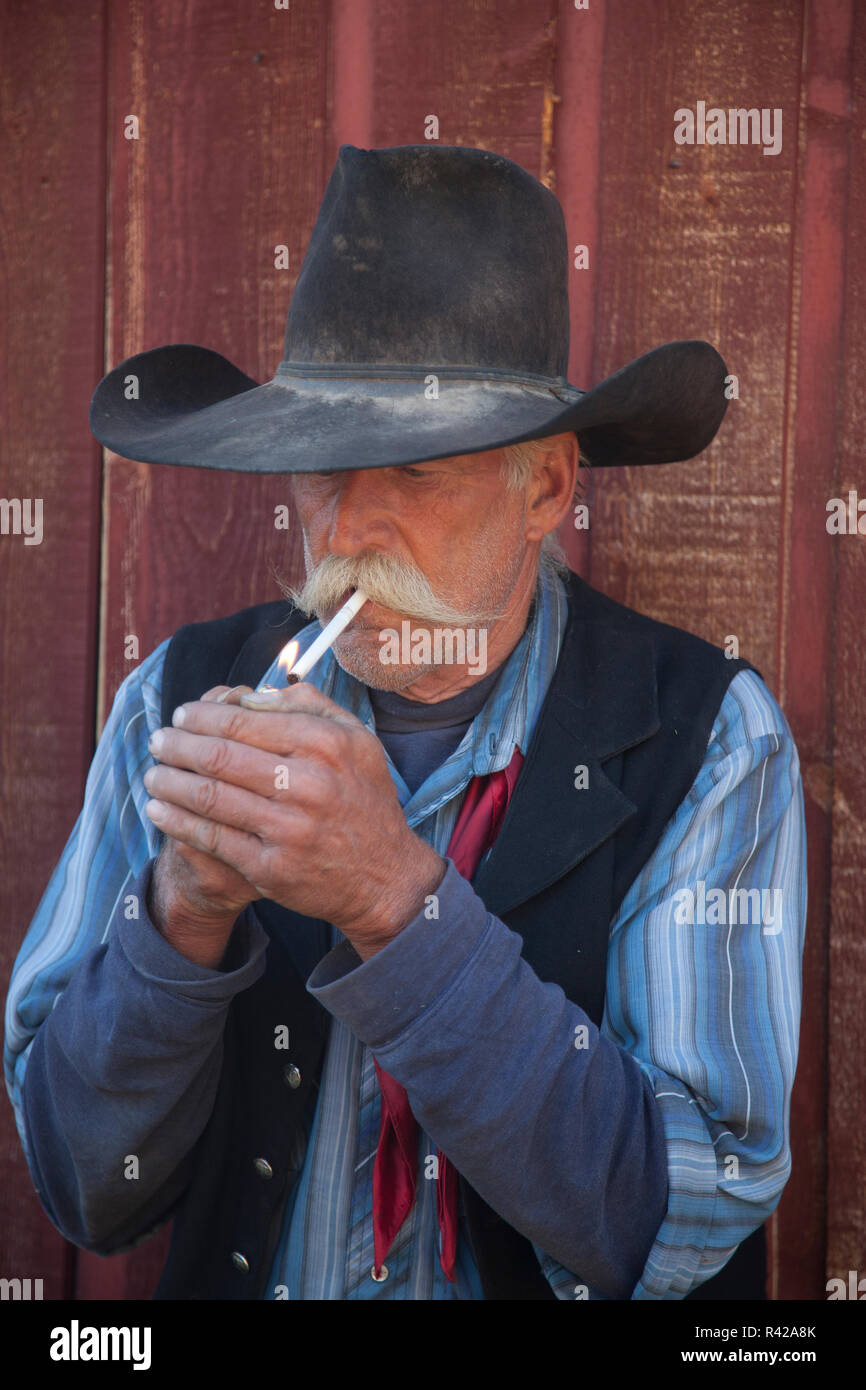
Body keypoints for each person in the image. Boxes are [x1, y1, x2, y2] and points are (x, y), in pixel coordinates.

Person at [4, 144, 806, 1300]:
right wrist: (178, 914)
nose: (351, 527)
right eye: (323, 464)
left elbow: (681, 1217)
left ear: (544, 488)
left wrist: (394, 899)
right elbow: (83, 1185)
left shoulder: (708, 739)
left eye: (416, 467)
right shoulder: (176, 704)